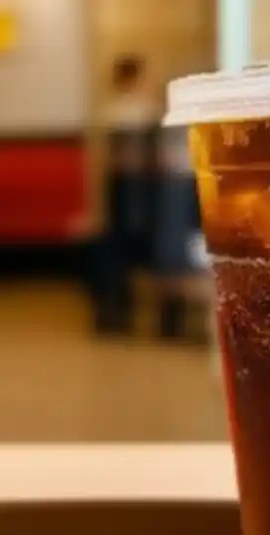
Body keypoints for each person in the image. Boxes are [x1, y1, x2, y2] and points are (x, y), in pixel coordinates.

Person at [96, 55, 160, 335]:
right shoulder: (134, 111)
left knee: (120, 246)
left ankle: (119, 308)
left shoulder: (111, 110)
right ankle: (123, 307)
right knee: (130, 244)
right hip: (135, 187)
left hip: (122, 185)